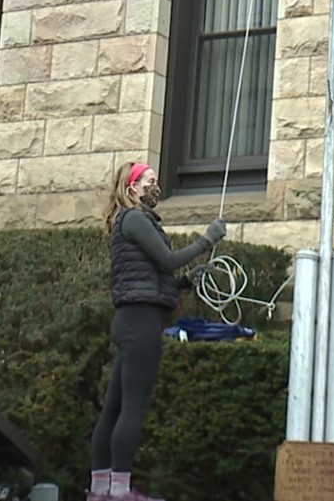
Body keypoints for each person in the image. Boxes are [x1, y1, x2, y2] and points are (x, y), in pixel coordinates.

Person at [88, 162, 227, 501]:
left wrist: (186, 282)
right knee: (132, 407)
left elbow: (153, 275)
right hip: (141, 323)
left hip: (131, 318)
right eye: (149, 181)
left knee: (114, 407)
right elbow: (167, 259)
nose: (155, 186)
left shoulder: (130, 221)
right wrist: (208, 239)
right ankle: (119, 492)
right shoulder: (134, 218)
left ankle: (100, 488)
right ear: (132, 187)